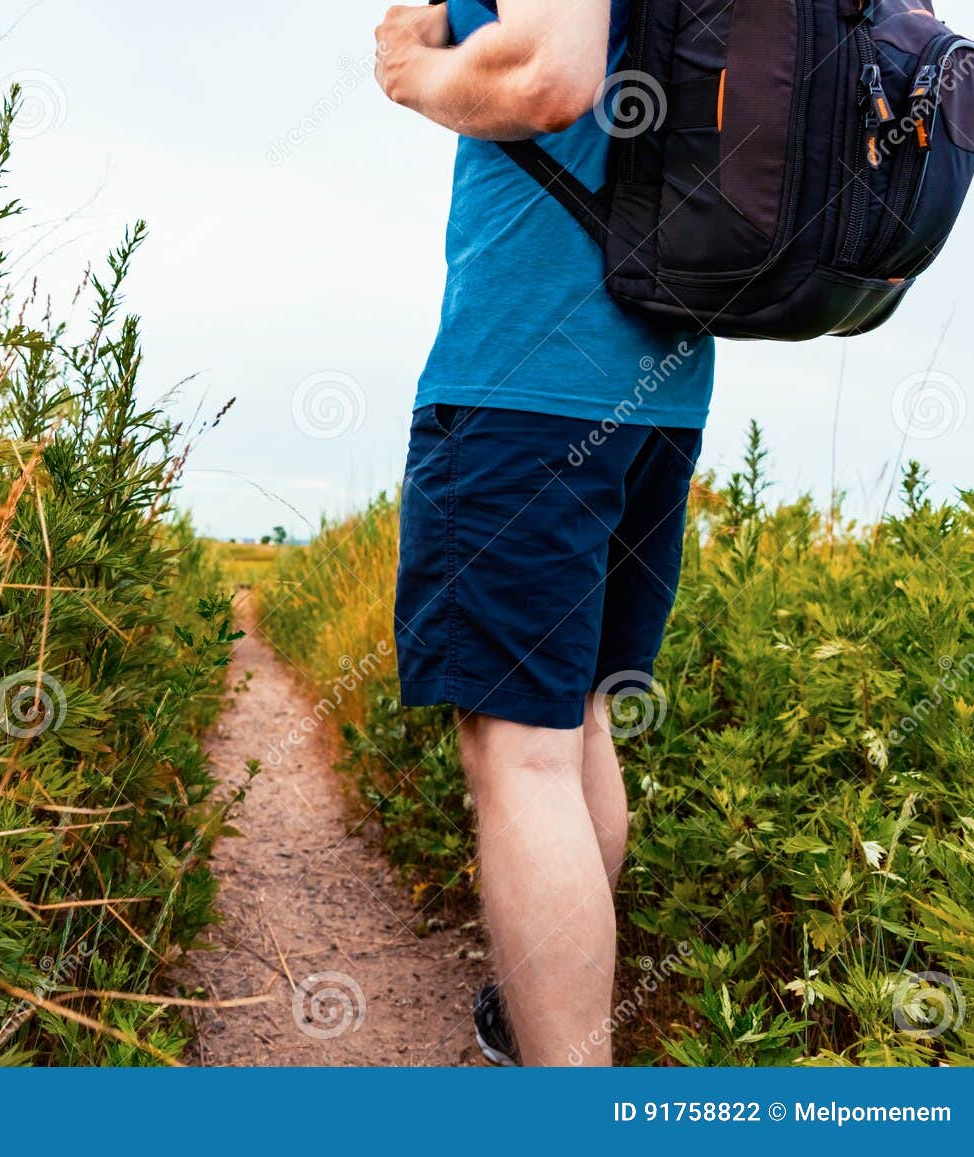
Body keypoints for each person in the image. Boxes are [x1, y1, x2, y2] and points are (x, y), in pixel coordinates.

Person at [373, 0, 715, 1067]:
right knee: (571, 724)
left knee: (520, 753)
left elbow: (545, 82)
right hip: (656, 379)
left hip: (526, 378)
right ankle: (543, 1039)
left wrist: (411, 74)